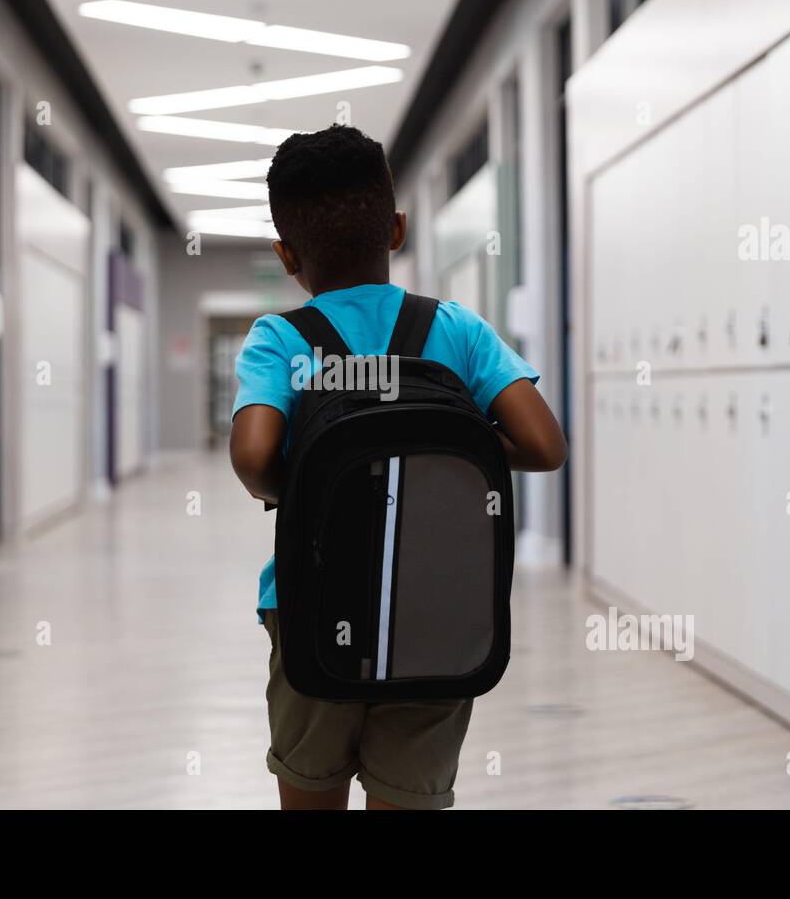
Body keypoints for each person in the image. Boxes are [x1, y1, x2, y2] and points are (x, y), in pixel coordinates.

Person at [229, 124, 566, 810]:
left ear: (286, 254)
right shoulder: (456, 329)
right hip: (436, 610)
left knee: (311, 793)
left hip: (310, 602)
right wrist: (441, 449)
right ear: (398, 230)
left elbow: (255, 458)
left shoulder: (281, 339)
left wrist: (323, 471)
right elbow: (543, 446)